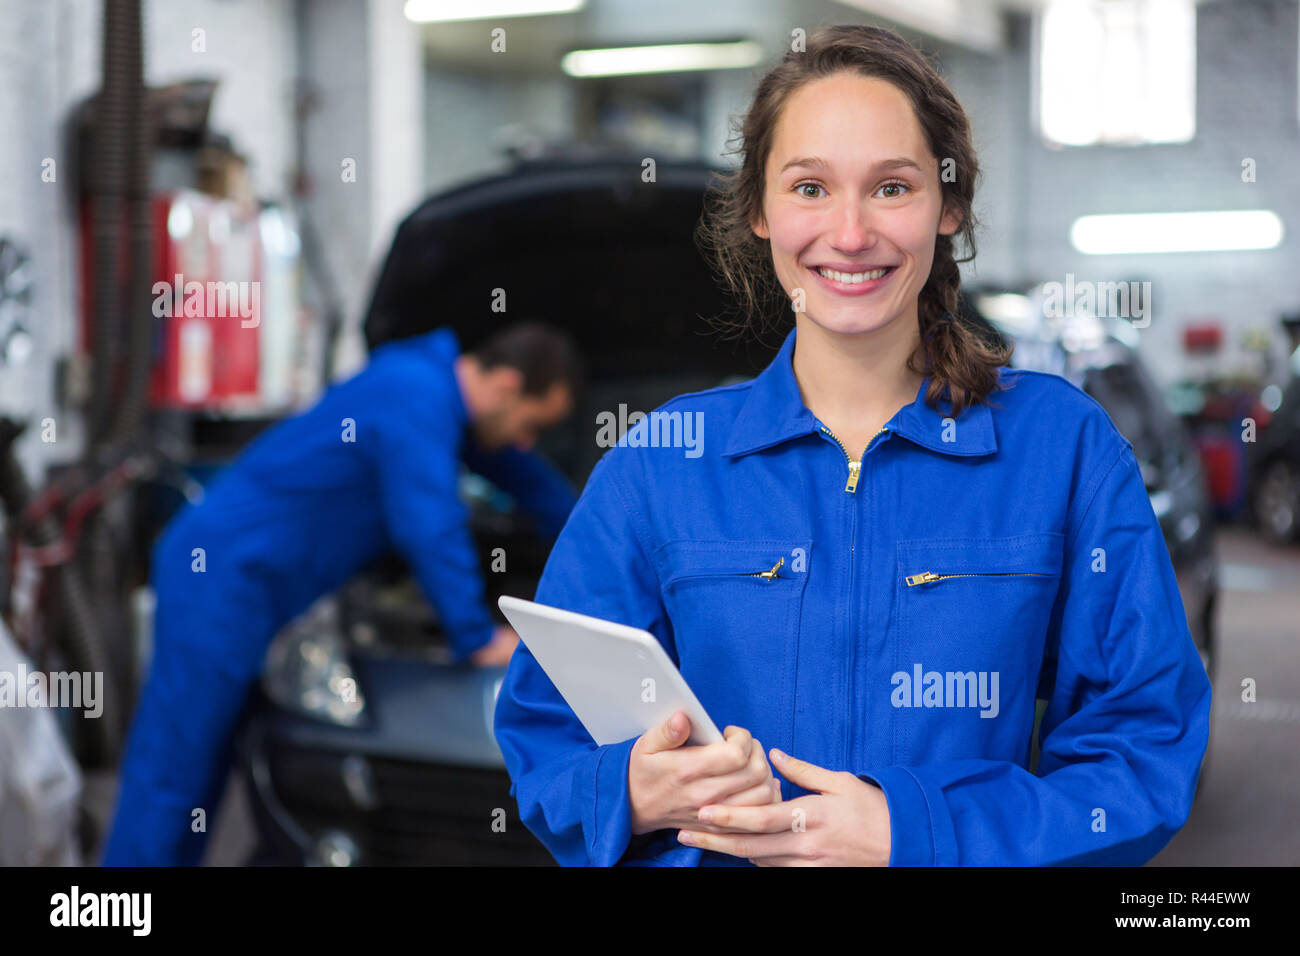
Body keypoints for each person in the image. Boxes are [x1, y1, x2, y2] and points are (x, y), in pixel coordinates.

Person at [493, 25, 1212, 866]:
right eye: (808, 187)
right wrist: (629, 792)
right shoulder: (662, 463)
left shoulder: (1061, 449)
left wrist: (919, 832)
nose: (849, 231)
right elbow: (546, 738)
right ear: (759, 211)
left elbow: (1143, 751)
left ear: (949, 205)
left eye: (891, 187)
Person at [104, 320, 582, 865]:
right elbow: (428, 524)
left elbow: (524, 476)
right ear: (506, 386)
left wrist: (598, 532)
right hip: (221, 579)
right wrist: (473, 636)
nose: (527, 442)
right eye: (531, 425)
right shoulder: (416, 396)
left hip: (246, 586)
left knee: (204, 761)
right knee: (176, 763)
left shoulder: (435, 392)